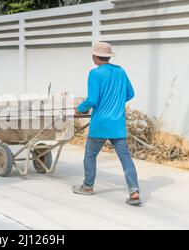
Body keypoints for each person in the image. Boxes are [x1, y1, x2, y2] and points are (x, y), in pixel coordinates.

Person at [73, 42, 142, 206]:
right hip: (117, 125)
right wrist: (115, 102)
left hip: (100, 124)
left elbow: (93, 99)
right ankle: (134, 192)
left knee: (90, 156)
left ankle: (88, 186)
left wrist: (79, 109)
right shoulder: (120, 71)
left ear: (96, 57)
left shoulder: (95, 74)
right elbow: (130, 93)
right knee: (126, 159)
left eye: (93, 55)